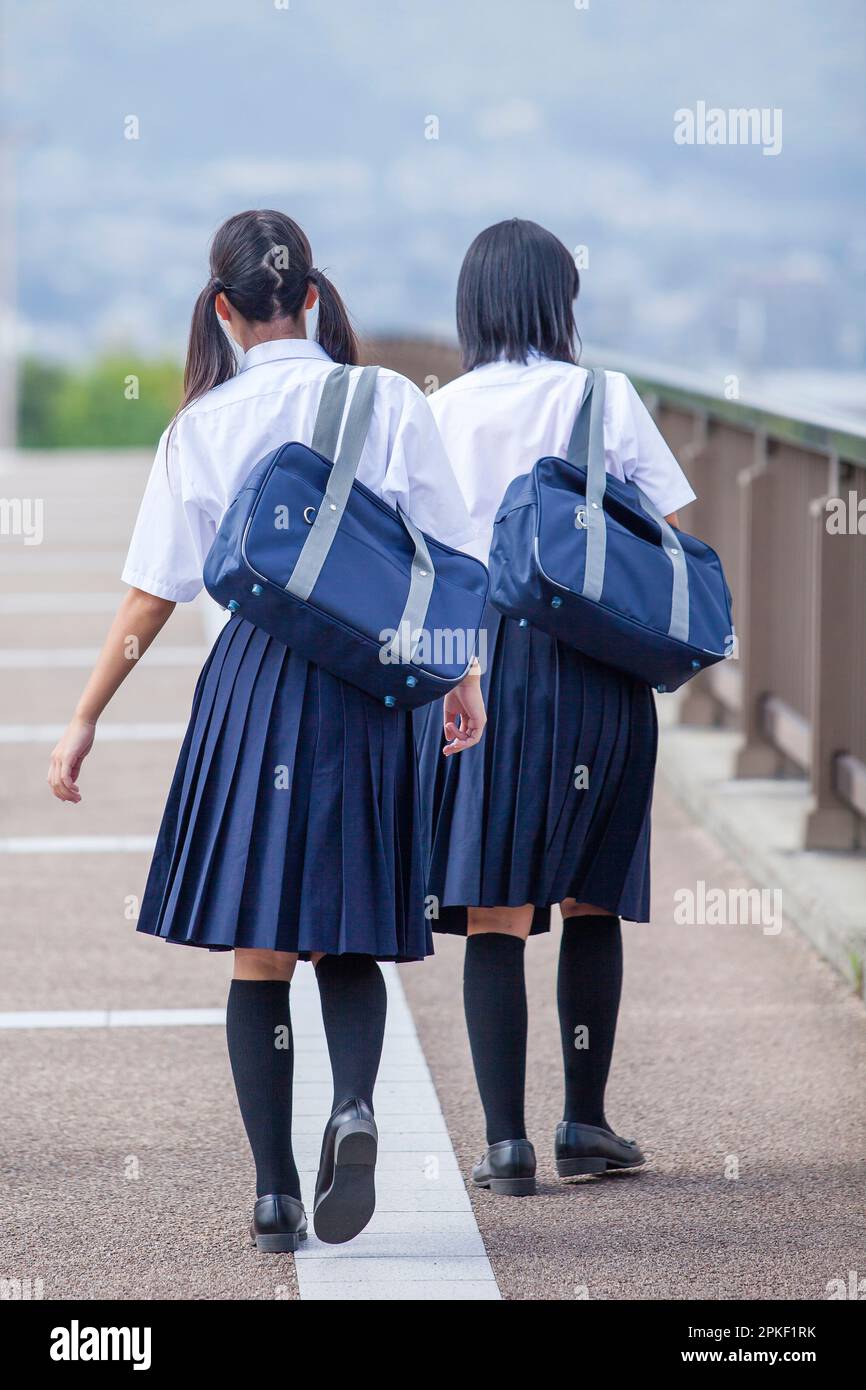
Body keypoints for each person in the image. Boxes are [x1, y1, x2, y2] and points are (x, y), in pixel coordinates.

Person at [47, 209, 486, 1249]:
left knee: (260, 945)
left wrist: (83, 719)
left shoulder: (201, 424)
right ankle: (355, 1108)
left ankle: (275, 1192)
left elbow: (151, 598)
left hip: (256, 685)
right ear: (316, 297)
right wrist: (462, 678)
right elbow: (452, 551)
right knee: (351, 928)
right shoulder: (385, 395)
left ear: (221, 311)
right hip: (377, 686)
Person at [416, 218, 696, 1195]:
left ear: (472, 307)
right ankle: (583, 1120)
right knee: (589, 894)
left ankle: (505, 1143)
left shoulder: (442, 409)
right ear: (557, 302)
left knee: (494, 905)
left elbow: (426, 549)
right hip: (598, 668)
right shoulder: (600, 397)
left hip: (484, 664)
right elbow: (667, 528)